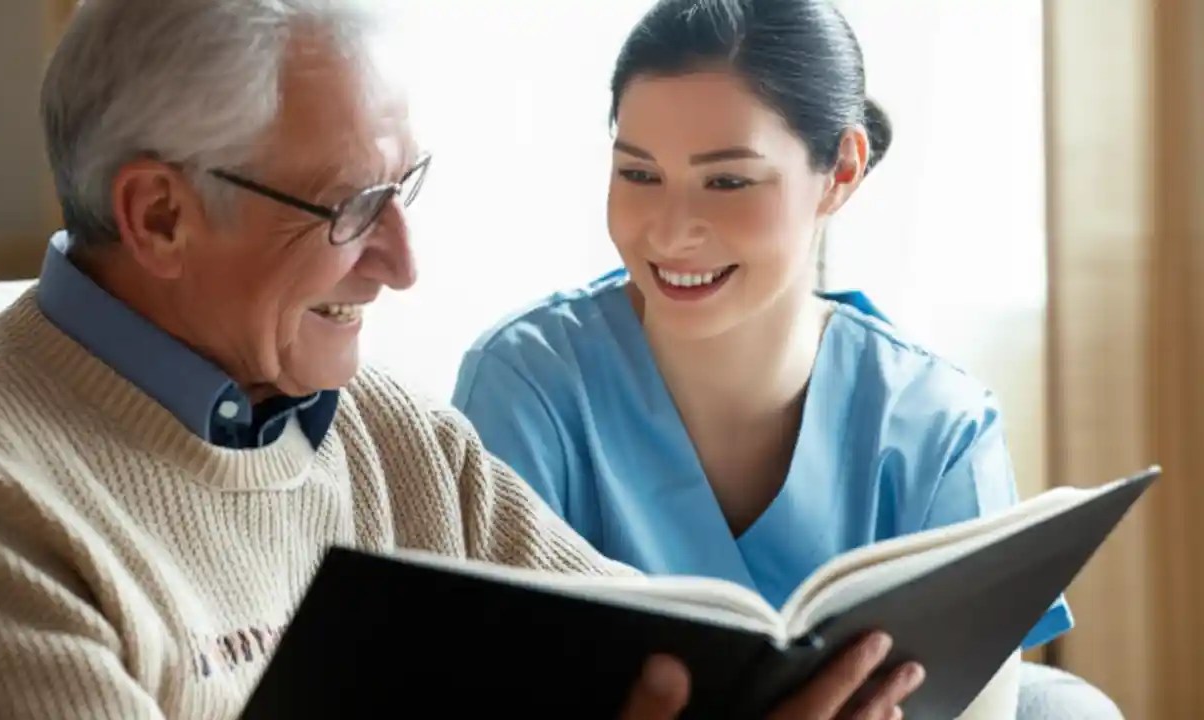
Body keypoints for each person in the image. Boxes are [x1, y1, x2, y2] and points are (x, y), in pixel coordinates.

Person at [0, 1, 924, 718]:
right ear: (159, 216)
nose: (403, 264)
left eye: (405, 189)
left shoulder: (392, 436)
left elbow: (673, 664)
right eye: (355, 206)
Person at [452, 0, 1075, 713]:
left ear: (841, 171)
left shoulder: (940, 428)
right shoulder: (526, 386)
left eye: (727, 181)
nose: (670, 233)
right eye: (640, 175)